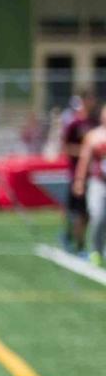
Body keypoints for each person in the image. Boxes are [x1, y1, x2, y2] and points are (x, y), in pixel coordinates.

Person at [61, 92, 95, 254]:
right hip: (76, 173)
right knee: (75, 210)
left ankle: (79, 242)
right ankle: (71, 237)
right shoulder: (74, 124)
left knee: (86, 212)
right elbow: (66, 147)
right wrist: (85, 151)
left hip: (92, 175)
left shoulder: (94, 123)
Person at [72, 105, 106, 265]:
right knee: (98, 216)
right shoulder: (93, 136)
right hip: (98, 182)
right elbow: (85, 159)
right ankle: (96, 251)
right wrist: (79, 180)